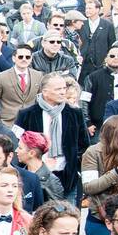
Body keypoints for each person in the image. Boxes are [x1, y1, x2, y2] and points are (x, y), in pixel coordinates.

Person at [16, 72, 90, 201]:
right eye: (58, 89)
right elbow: (17, 143)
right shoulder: (26, 114)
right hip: (36, 175)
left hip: (67, 177)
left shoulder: (74, 113)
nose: (63, 92)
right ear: (45, 92)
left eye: (64, 88)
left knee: (67, 218)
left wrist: (74, 167)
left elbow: (83, 144)